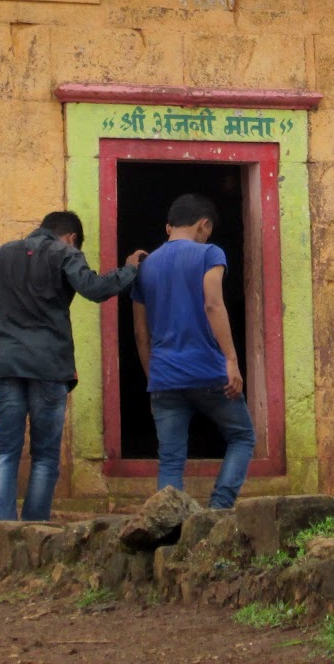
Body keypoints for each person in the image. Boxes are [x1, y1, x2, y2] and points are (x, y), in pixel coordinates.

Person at [0, 210, 142, 521]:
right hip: (50, 367)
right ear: (72, 238)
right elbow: (94, 289)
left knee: (5, 453)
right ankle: (35, 528)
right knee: (45, 457)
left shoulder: (0, 256)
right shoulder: (66, 254)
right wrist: (129, 269)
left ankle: (3, 529)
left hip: (6, 366)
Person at [131, 193, 255, 510]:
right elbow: (213, 305)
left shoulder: (144, 267)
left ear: (169, 227)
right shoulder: (209, 253)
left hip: (164, 377)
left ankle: (167, 525)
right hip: (209, 372)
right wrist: (231, 360)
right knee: (242, 437)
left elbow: (141, 334)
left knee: (171, 458)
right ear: (204, 225)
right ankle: (218, 509)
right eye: (207, 231)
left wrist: (153, 378)